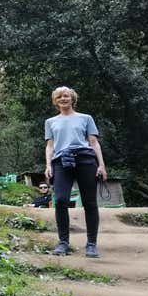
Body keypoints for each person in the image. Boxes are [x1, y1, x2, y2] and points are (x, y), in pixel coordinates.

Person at [44, 86, 107, 257]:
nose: (63, 99)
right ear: (55, 101)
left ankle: (91, 244)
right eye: (59, 97)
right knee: (61, 199)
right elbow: (50, 146)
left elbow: (94, 143)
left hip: (85, 160)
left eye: (66, 96)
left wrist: (101, 165)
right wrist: (48, 165)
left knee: (89, 202)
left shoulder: (85, 118)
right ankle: (63, 242)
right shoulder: (50, 122)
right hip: (61, 162)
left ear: (72, 99)